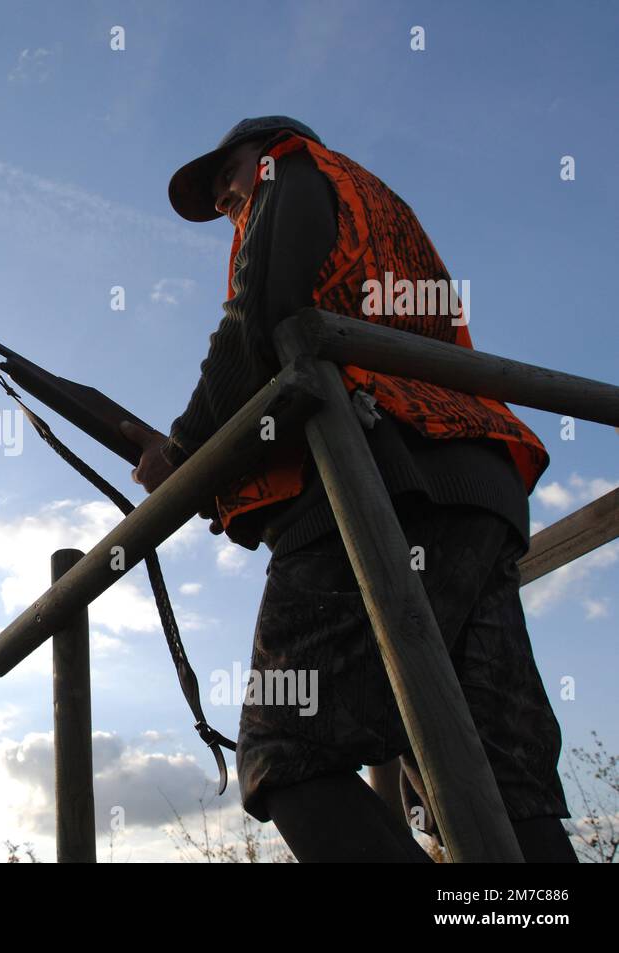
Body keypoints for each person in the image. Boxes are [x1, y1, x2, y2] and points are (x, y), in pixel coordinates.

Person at [119, 116, 577, 862]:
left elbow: (258, 322)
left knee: (284, 750)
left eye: (226, 173)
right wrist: (229, 479)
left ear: (267, 146)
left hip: (387, 477)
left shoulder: (289, 175)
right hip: (477, 482)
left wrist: (188, 451)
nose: (226, 194)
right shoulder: (373, 201)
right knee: (498, 777)